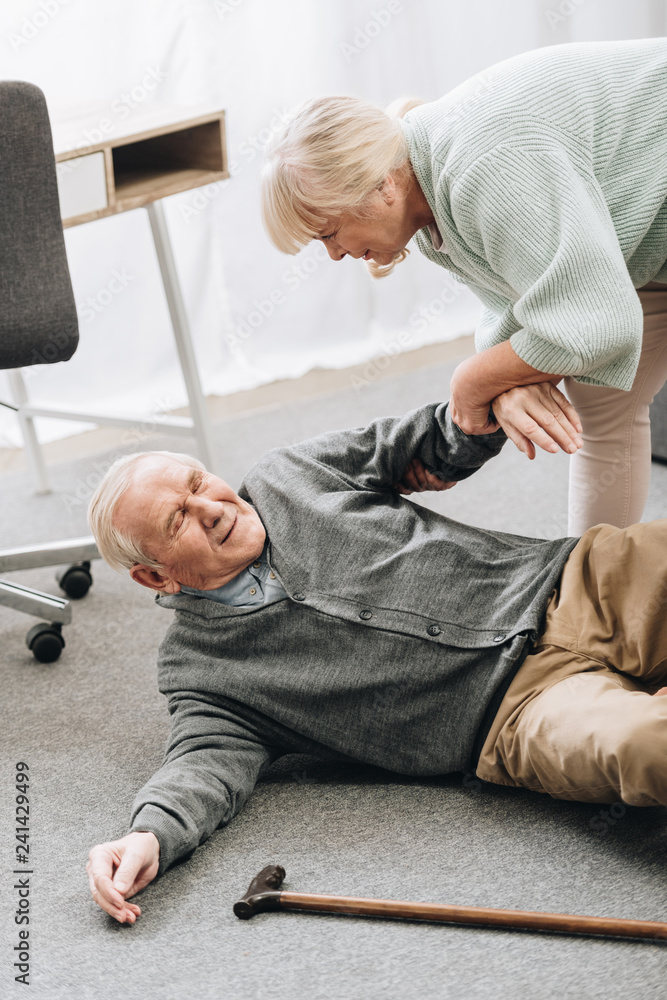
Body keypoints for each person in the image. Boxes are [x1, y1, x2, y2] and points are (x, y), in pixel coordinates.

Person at [85, 399, 667, 924]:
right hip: (514, 715)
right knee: (643, 746)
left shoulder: (287, 476)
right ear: (154, 575)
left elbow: (417, 444)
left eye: (197, 482)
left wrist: (479, 412)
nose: (209, 505)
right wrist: (150, 834)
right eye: (177, 519)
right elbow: (204, 764)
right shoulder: (199, 670)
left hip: (570, 581)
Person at [260, 37, 667, 535]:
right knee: (601, 409)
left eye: (329, 233)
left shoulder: (482, 168)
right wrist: (502, 380)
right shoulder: (424, 205)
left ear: (381, 187)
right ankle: (601, 597)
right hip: (636, 238)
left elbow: (596, 325)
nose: (335, 254)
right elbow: (528, 302)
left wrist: (475, 379)